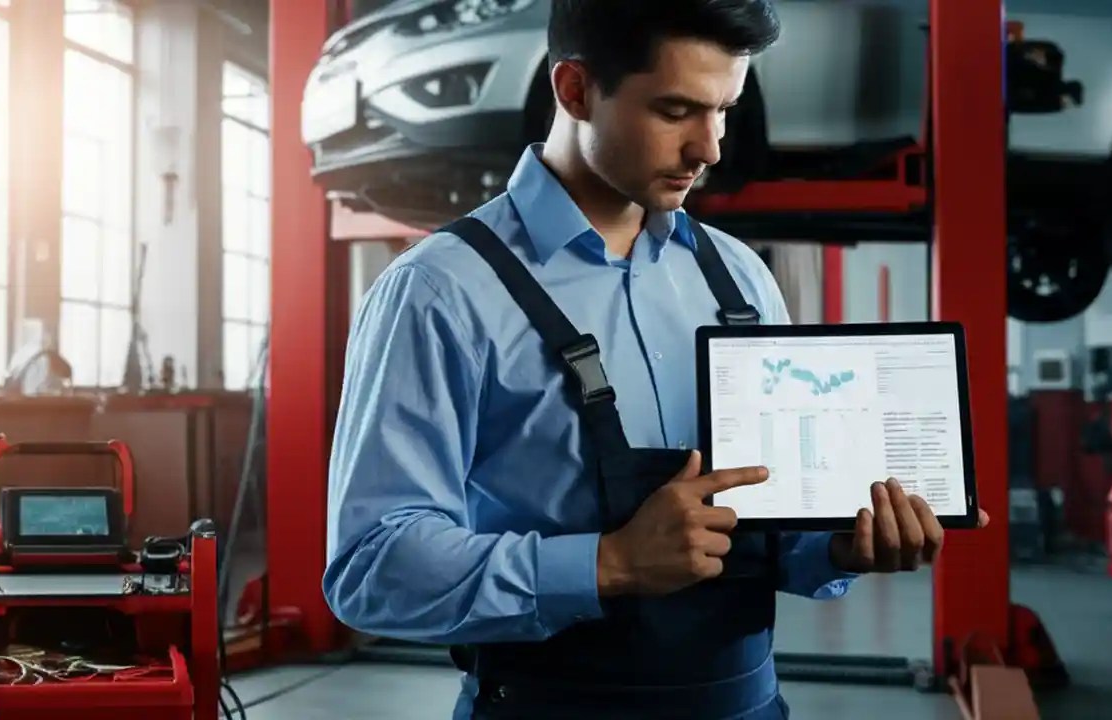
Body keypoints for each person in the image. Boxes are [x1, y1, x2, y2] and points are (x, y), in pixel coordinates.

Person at [324, 1, 988, 718]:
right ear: (574, 89)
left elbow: (769, 527)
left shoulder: (739, 279)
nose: (711, 149)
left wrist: (842, 548)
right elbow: (373, 566)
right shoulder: (441, 292)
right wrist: (606, 565)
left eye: (724, 109)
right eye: (676, 111)